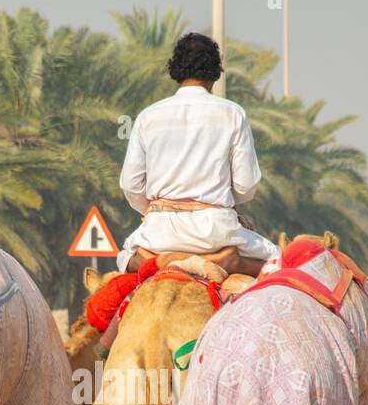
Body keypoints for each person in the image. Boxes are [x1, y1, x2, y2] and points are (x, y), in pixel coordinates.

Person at [117, 32, 279, 276]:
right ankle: (232, 264)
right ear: (214, 75)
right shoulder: (233, 113)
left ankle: (153, 265)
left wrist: (158, 209)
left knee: (124, 258)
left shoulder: (147, 117)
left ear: (176, 71)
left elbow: (130, 185)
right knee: (279, 263)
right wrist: (219, 201)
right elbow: (247, 185)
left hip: (159, 235)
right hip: (217, 233)